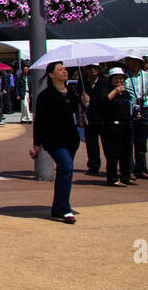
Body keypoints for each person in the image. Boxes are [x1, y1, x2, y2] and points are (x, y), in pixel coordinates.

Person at [31, 61, 81, 223]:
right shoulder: (45, 96)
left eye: (65, 69)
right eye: (60, 70)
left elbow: (76, 115)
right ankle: (65, 209)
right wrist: (36, 144)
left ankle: (57, 207)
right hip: (53, 139)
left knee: (64, 172)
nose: (64, 71)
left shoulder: (72, 93)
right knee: (66, 167)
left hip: (71, 138)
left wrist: (84, 103)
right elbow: (40, 122)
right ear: (51, 74)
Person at [97, 66, 133, 186]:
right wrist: (115, 92)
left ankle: (125, 176)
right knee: (113, 153)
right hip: (111, 126)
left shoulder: (126, 93)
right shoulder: (105, 90)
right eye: (117, 78)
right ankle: (112, 178)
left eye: (121, 78)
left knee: (126, 152)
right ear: (111, 79)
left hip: (125, 125)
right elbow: (102, 103)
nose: (119, 80)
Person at [124, 59, 148, 180]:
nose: (129, 63)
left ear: (138, 62)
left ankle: (141, 169)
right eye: (128, 61)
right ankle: (129, 169)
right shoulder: (124, 76)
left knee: (141, 142)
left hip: (145, 109)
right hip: (130, 110)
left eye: (131, 61)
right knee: (129, 141)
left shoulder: (147, 76)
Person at [81, 64, 104, 174]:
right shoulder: (83, 83)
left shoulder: (104, 82)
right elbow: (79, 100)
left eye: (95, 68)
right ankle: (93, 166)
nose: (92, 70)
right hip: (89, 117)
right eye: (90, 68)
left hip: (103, 117)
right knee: (91, 144)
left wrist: (92, 99)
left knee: (107, 144)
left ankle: (111, 166)